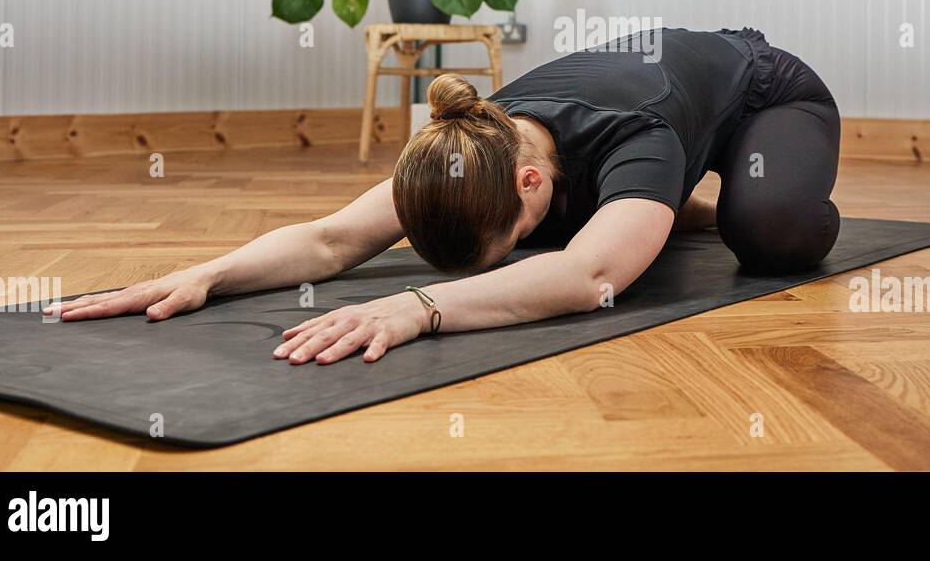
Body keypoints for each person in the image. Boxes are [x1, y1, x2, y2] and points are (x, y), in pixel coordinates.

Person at [47, 27, 841, 365]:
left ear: (529, 181)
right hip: (627, 125)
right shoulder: (467, 146)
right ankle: (664, 210)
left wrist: (418, 307)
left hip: (764, 94)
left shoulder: (638, 136)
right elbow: (330, 240)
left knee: (766, 228)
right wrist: (206, 274)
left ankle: (730, 196)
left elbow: (589, 279)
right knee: (560, 233)